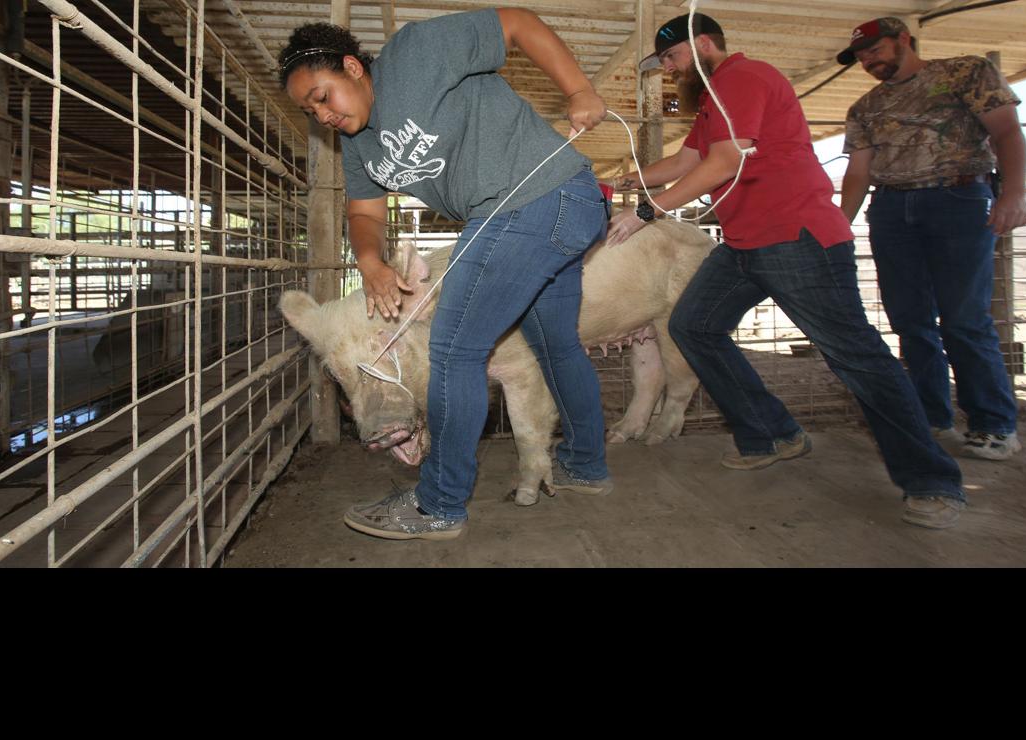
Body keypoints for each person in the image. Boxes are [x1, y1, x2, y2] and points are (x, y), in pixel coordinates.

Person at [605, 14, 966, 530]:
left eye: (672, 57)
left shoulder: (743, 79)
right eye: (665, 63)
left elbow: (725, 161)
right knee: (694, 327)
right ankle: (773, 433)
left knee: (855, 356)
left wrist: (646, 211)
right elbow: (688, 159)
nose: (668, 69)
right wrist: (617, 177)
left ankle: (931, 479)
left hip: (797, 236)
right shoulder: (713, 100)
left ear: (702, 43)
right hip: (745, 242)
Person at [279, 8, 612, 541]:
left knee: (456, 350)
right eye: (308, 110)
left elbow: (516, 23)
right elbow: (364, 214)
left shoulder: (412, 55)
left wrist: (579, 91)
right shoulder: (358, 144)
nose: (321, 115)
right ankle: (586, 466)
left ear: (352, 67)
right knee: (556, 347)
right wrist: (370, 263)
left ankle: (439, 503)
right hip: (551, 210)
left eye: (323, 96)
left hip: (535, 198)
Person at [837, 17, 1026, 461]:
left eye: (874, 49)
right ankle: (930, 416)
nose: (867, 59)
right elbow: (858, 173)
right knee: (908, 319)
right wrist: (837, 227)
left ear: (904, 38)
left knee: (964, 317)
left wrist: (1014, 192)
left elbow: (1006, 132)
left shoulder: (965, 72)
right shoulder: (865, 107)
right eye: (861, 55)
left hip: (958, 198)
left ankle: (993, 425)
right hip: (890, 209)